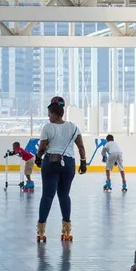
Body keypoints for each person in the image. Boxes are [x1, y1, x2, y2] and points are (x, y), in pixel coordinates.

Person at [34, 96, 87, 243]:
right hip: (68, 163)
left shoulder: (48, 127)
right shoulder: (73, 127)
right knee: (64, 196)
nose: (49, 116)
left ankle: (41, 230)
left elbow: (42, 147)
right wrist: (83, 163)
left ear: (55, 114)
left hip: (51, 162)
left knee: (47, 196)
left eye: (50, 114)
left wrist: (38, 158)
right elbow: (81, 147)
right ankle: (67, 230)